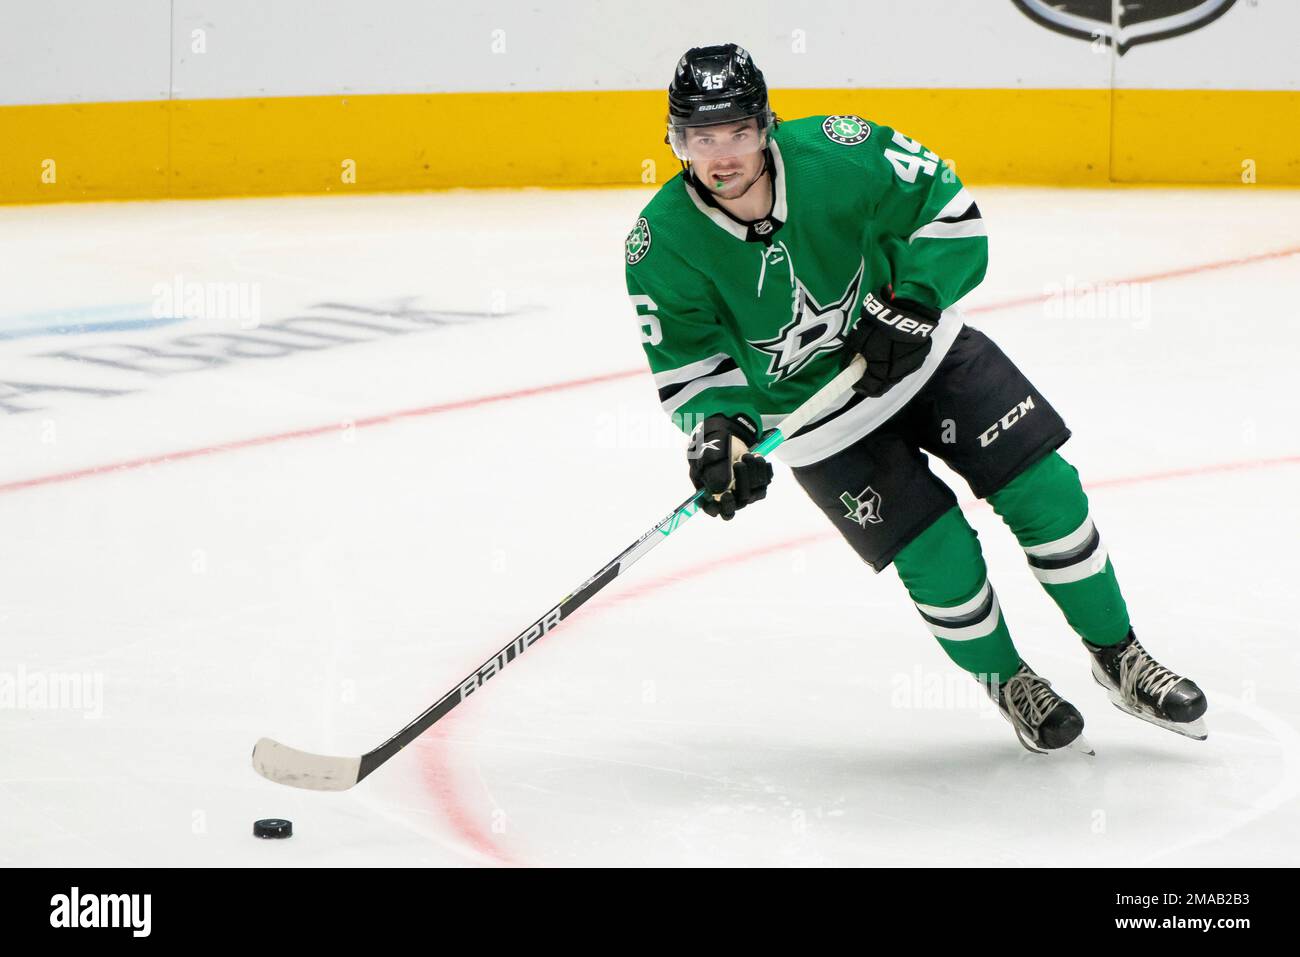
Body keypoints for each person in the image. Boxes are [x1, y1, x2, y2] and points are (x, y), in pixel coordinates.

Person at [623, 43, 1207, 753]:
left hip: (928, 358)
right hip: (818, 426)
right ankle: (1010, 680)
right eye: (701, 137)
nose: (722, 155)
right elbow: (691, 367)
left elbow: (950, 211)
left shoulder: (843, 150)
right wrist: (722, 434)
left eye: (738, 132)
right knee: (939, 555)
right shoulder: (658, 245)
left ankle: (1120, 657)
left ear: (767, 125)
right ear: (674, 140)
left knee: (1045, 491)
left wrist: (920, 302)